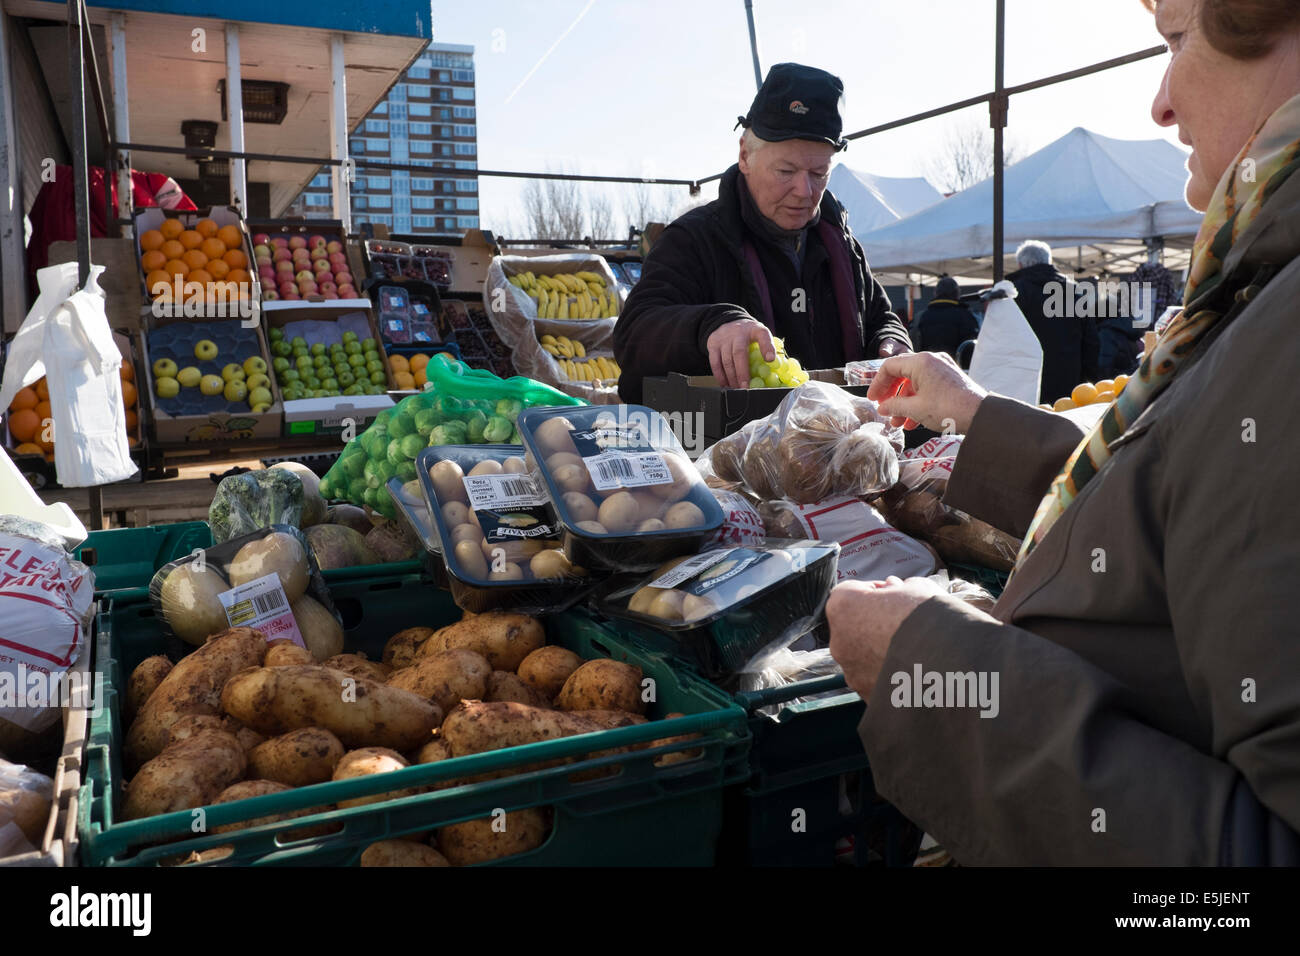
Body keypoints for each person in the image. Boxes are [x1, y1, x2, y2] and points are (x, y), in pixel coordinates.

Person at [825, 0, 1300, 865]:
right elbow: (1175, 496)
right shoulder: (1259, 273)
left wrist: (933, 672)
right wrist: (973, 415)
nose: (1160, 102)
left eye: (1176, 39)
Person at [613, 63, 911, 403]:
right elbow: (633, 336)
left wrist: (891, 341)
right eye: (786, 171)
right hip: (724, 449)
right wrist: (710, 326)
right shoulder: (693, 239)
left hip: (836, 443)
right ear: (744, 156)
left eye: (819, 173)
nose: (804, 190)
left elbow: (879, 319)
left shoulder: (843, 246)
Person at [1007, 240, 1100, 403]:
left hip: (1026, 381)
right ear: (1049, 261)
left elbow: (1005, 339)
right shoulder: (1074, 291)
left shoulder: (1015, 292)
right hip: (1069, 380)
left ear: (1021, 265)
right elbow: (1091, 341)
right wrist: (1089, 377)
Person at [907, 277, 979, 361]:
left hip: (926, 368)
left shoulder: (920, 317)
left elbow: (913, 346)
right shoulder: (966, 316)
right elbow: (971, 348)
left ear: (935, 293)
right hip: (956, 369)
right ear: (957, 293)